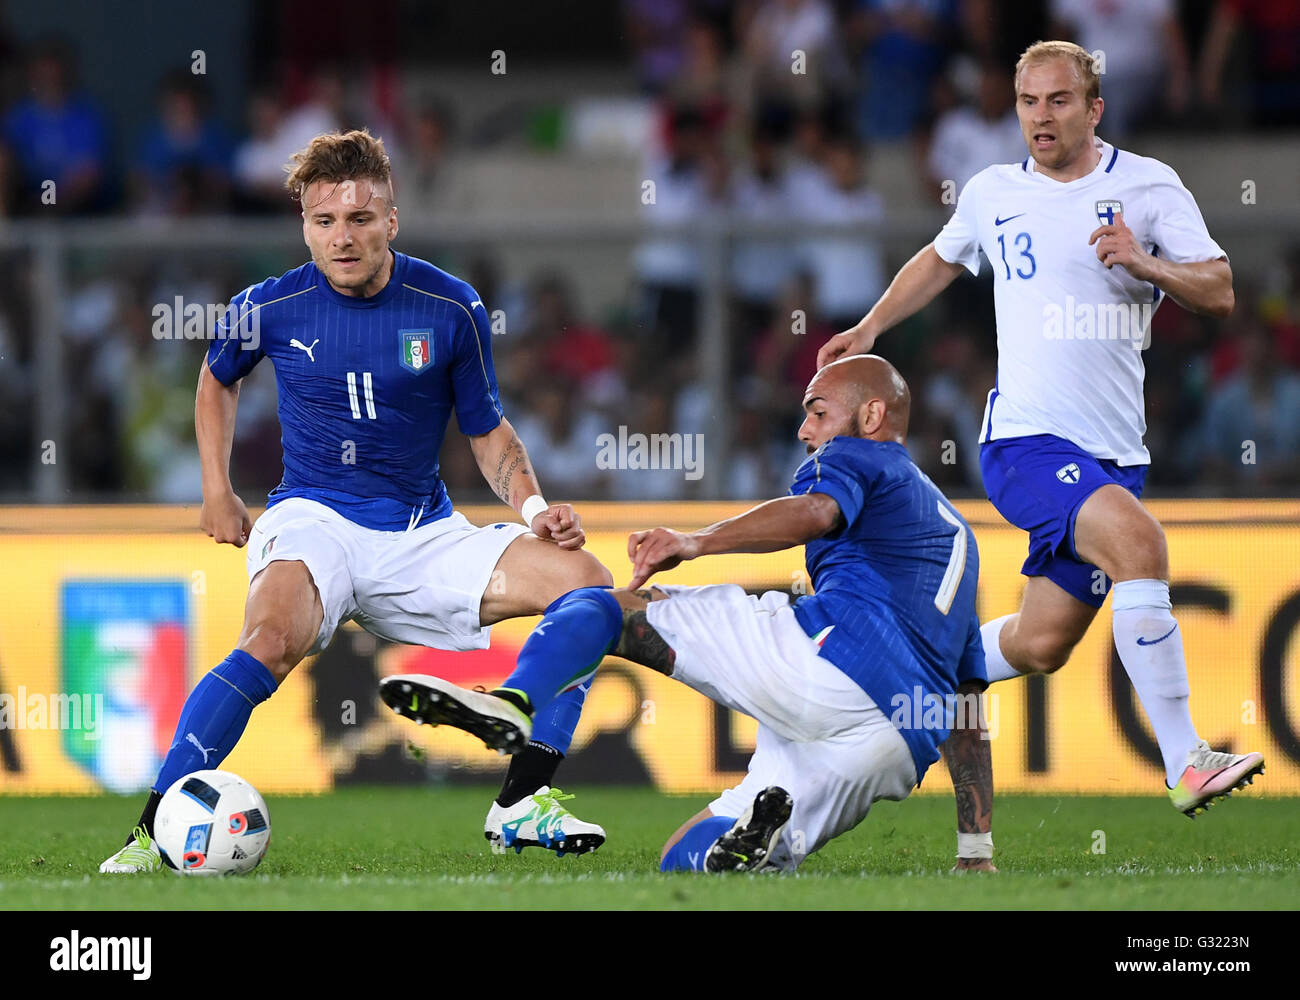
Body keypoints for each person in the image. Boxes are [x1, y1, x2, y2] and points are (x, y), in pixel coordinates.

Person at [99, 129, 612, 873]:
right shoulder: (270, 305)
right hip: (315, 521)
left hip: (423, 533)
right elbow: (216, 380)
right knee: (270, 642)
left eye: (360, 219)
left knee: (588, 586)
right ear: (304, 224)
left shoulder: (451, 306)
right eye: (324, 221)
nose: (342, 238)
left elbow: (487, 432)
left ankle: (521, 803)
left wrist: (537, 513)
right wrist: (217, 489)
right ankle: (152, 832)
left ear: (392, 222)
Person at [818, 41, 1264, 816]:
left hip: (1114, 455)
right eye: (1029, 102)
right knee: (1141, 547)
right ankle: (1184, 761)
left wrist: (1148, 264)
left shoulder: (1150, 186)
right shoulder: (994, 192)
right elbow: (941, 256)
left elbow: (1220, 289)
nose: (1040, 118)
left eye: (1058, 101)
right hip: (1025, 444)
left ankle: (941, 668)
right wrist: (869, 326)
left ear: (1094, 108)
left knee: (1040, 643)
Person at [379, 355, 997, 873]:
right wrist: (976, 847)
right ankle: (755, 839)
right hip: (891, 747)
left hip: (831, 663)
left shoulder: (864, 456)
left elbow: (816, 513)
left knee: (599, 607)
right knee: (684, 861)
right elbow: (968, 704)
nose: (806, 431)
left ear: (871, 416)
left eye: (817, 411)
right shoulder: (960, 544)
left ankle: (514, 703)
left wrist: (696, 541)